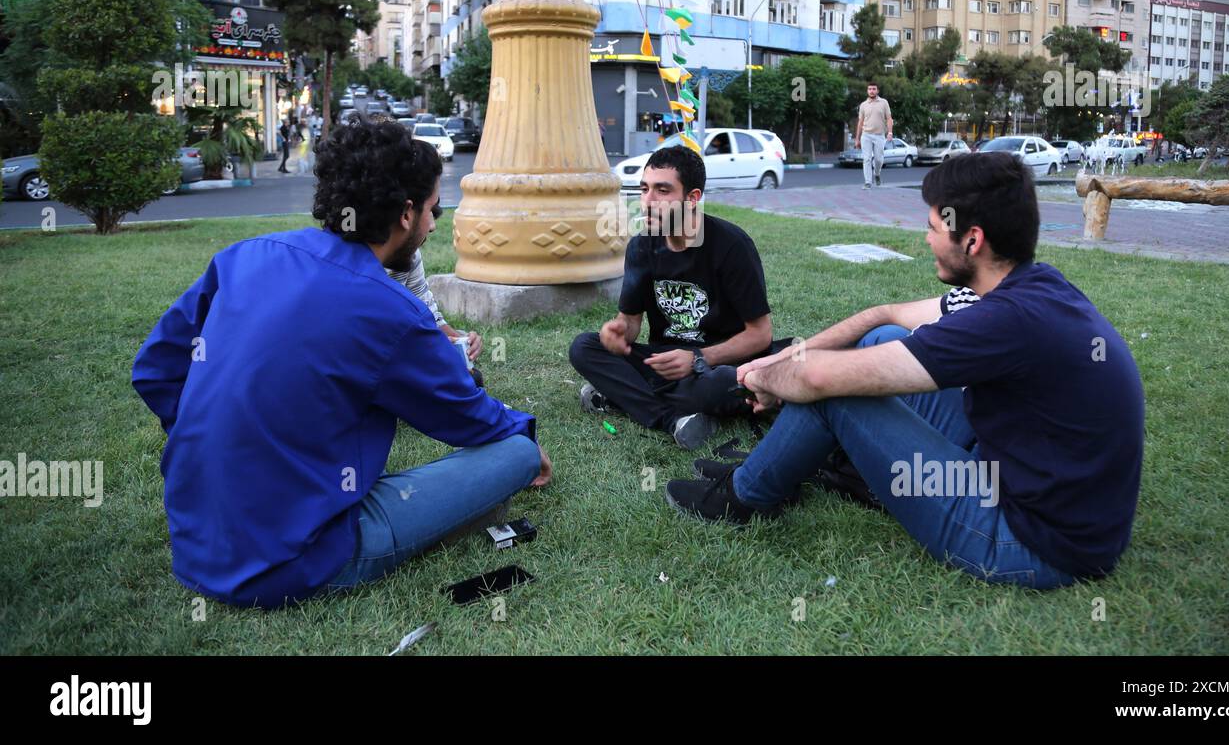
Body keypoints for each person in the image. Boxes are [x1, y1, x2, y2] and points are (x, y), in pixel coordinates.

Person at [665, 152, 1145, 590]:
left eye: (934, 227)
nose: (926, 237)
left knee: (835, 387)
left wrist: (759, 381)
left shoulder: (1005, 319)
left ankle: (743, 496)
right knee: (880, 342)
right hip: (1014, 474)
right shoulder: (1026, 288)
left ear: (972, 240)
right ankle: (792, 466)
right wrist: (771, 361)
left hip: (1034, 542)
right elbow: (884, 316)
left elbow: (817, 379)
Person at [132, 120, 552, 608]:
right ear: (406, 213)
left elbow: (155, 371)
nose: (435, 225)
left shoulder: (245, 256)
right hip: (301, 560)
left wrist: (213, 443)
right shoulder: (389, 308)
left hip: (193, 539)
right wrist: (526, 435)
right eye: (433, 209)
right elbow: (469, 418)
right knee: (515, 454)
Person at [569, 145, 785, 450]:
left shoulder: (731, 245)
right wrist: (617, 332)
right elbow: (630, 323)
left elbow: (761, 334)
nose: (647, 202)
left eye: (662, 190)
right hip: (664, 362)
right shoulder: (642, 247)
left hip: (715, 366)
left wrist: (698, 358)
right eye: (644, 189)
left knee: (724, 385)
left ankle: (624, 394)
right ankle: (673, 420)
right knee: (583, 347)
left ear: (693, 198)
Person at [387, 246, 485, 386]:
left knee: (471, 378)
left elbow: (427, 311)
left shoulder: (411, 251)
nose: (432, 227)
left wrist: (462, 341)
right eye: (431, 222)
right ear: (405, 222)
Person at [854, 82, 892, 189]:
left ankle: (877, 174)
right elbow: (860, 122)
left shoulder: (884, 103)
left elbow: (889, 118)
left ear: (877, 91)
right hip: (866, 135)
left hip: (880, 135)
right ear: (867, 91)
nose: (872, 91)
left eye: (874, 89)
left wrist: (890, 132)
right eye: (870, 89)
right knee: (866, 159)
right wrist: (857, 139)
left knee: (879, 159)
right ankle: (868, 182)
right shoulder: (863, 105)